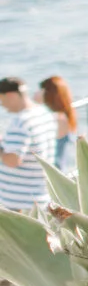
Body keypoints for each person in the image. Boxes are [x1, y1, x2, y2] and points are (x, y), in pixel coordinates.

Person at [0, 81, 49, 212]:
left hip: (20, 203)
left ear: (10, 95)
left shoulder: (21, 122)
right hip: (39, 196)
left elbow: (12, 160)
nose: (1, 105)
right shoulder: (42, 113)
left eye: (1, 99)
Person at [37, 77, 76, 168]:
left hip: (55, 169)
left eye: (41, 90)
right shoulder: (63, 115)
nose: (37, 93)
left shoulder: (56, 118)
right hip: (59, 167)